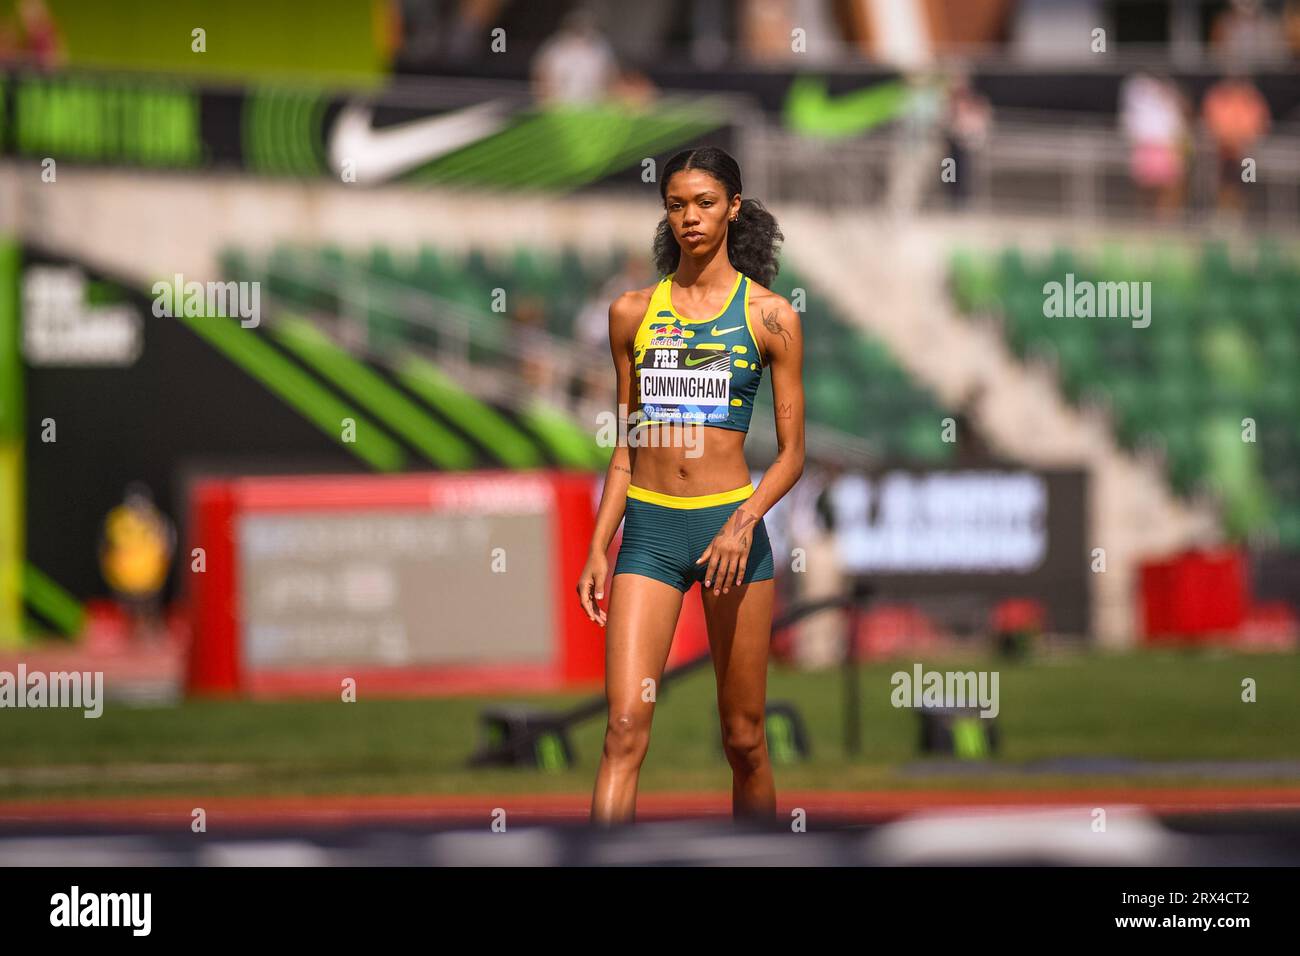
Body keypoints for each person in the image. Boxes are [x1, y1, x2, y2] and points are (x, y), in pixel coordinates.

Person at [576, 147, 805, 825]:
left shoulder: (771, 319)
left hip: (730, 533)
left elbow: (794, 455)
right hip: (648, 533)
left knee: (744, 738)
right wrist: (598, 545)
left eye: (705, 203)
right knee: (623, 731)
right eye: (676, 205)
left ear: (734, 207)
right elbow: (628, 445)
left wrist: (743, 523)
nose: (690, 218)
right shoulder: (631, 313)